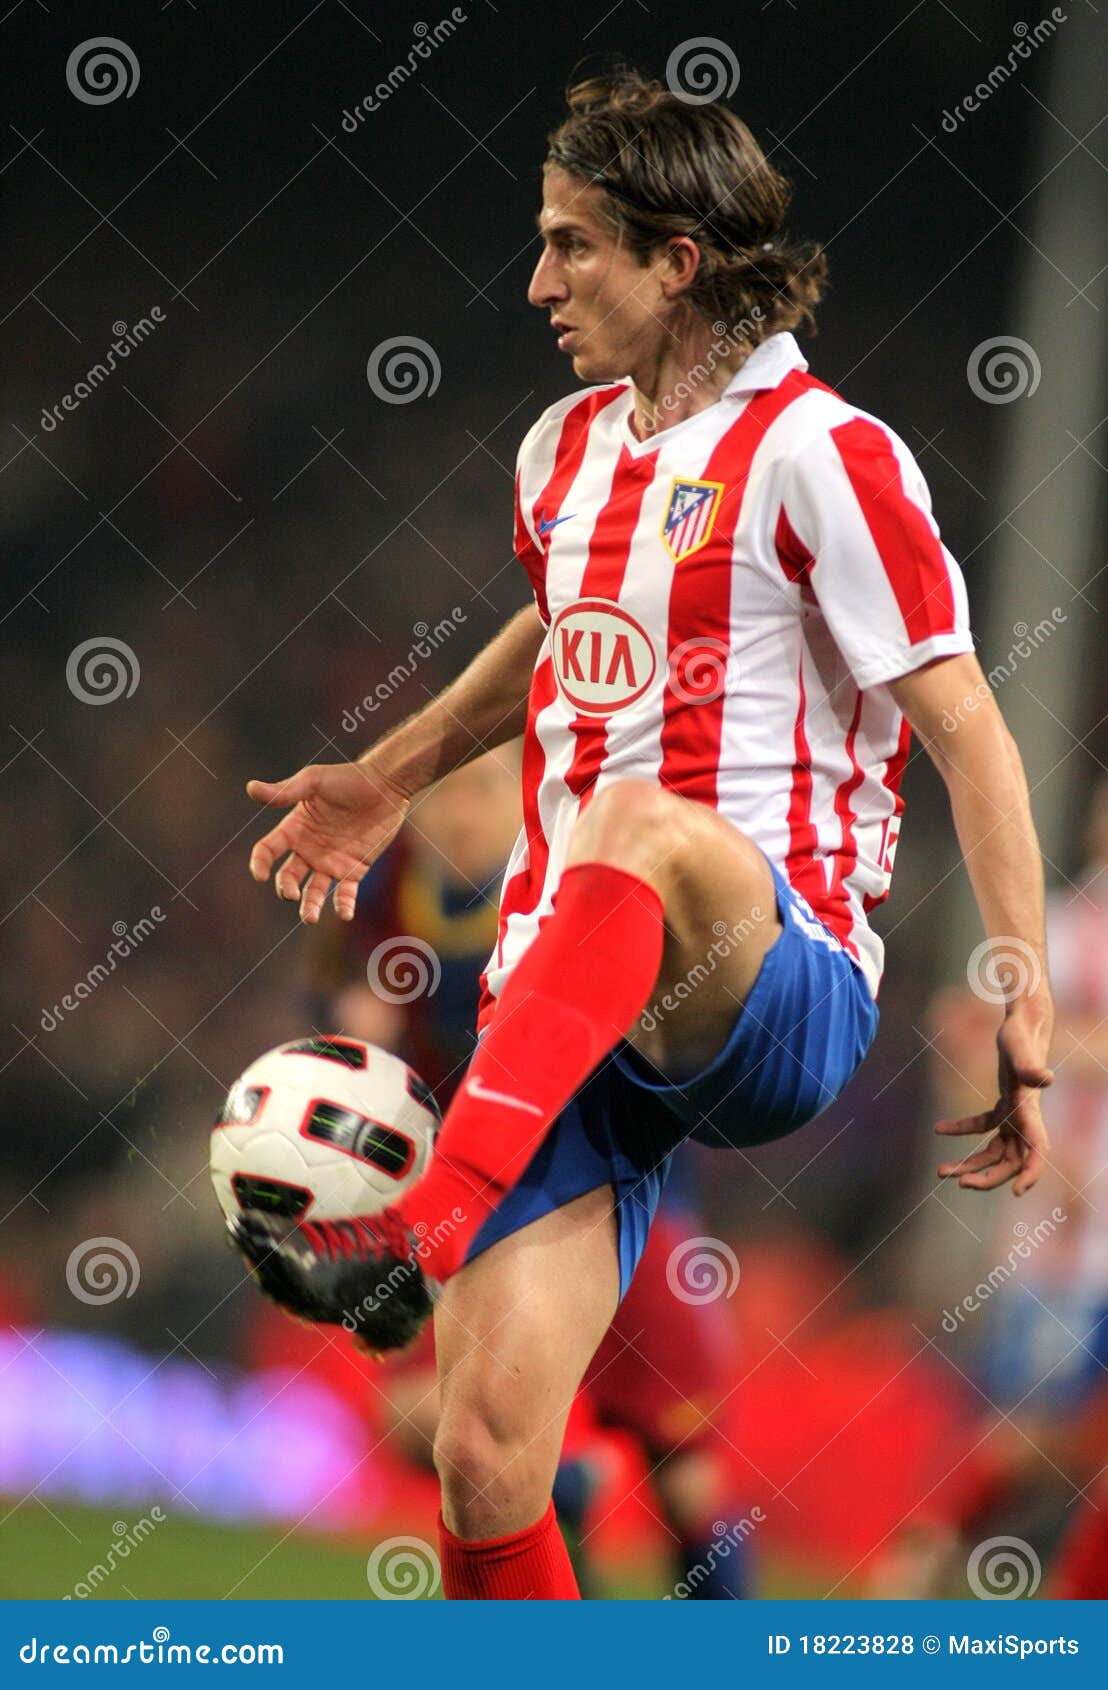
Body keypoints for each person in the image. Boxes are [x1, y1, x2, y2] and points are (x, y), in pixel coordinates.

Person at [232, 70, 1054, 1600]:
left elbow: (971, 732)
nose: (538, 282)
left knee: (637, 819)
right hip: (577, 1007)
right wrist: (389, 772)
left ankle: (433, 1211)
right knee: (484, 1455)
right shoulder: (564, 450)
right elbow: (560, 628)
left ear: (678, 257)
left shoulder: (828, 455)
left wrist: (1020, 983)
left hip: (773, 970)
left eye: (572, 246)